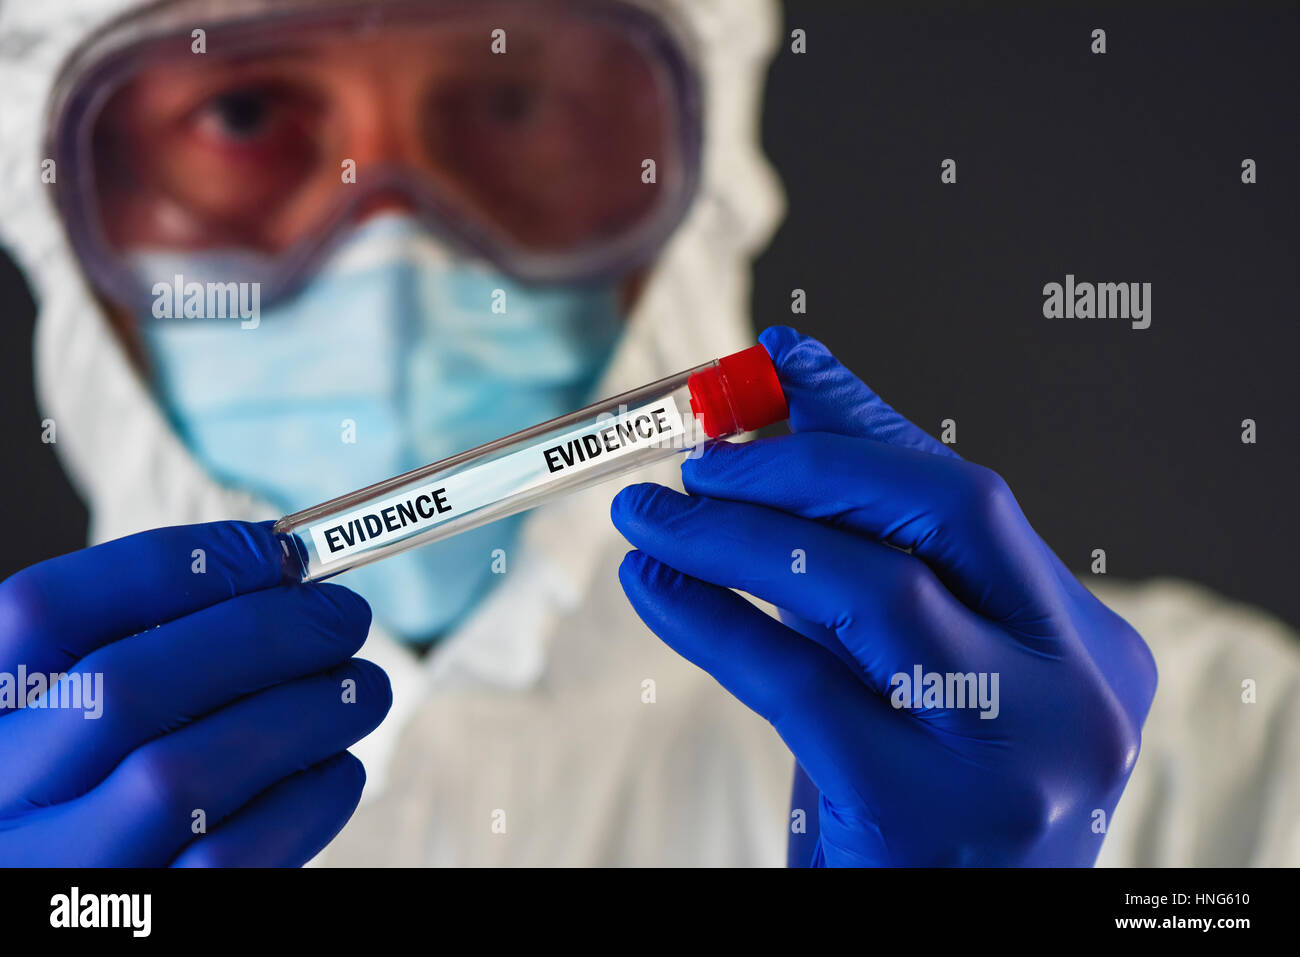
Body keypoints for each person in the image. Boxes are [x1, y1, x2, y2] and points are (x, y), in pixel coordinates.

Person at [0, 0, 1295, 867]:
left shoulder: (1217, 765)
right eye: (239, 115)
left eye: (512, 104)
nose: (390, 252)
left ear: (701, 170)